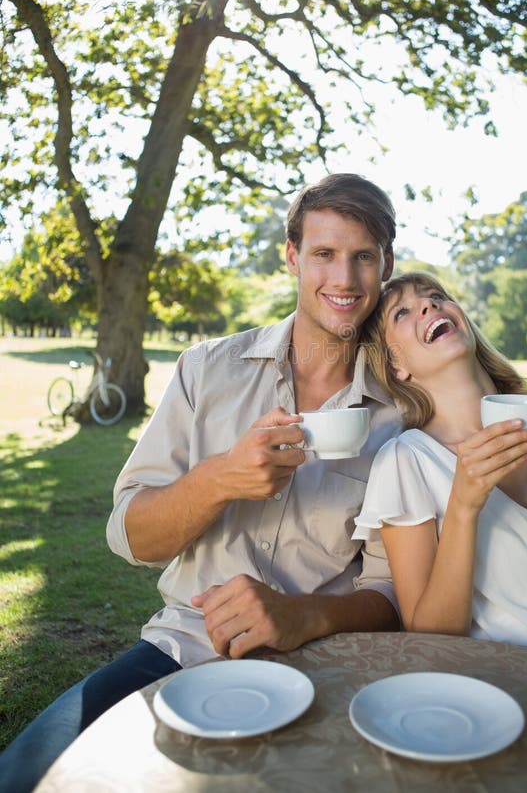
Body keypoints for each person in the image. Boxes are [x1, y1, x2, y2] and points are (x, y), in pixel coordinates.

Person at [0, 174, 404, 792]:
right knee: (27, 775)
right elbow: (131, 536)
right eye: (324, 254)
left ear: (386, 263)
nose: (344, 280)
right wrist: (218, 479)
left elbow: (396, 593)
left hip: (331, 665)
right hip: (181, 650)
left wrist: (303, 615)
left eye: (363, 257)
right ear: (293, 256)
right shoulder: (207, 369)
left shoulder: (404, 410)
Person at [353, 270, 527, 669]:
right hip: (512, 682)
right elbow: (430, 635)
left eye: (435, 296)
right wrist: (464, 505)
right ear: (396, 365)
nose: (429, 306)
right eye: (403, 313)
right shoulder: (406, 462)